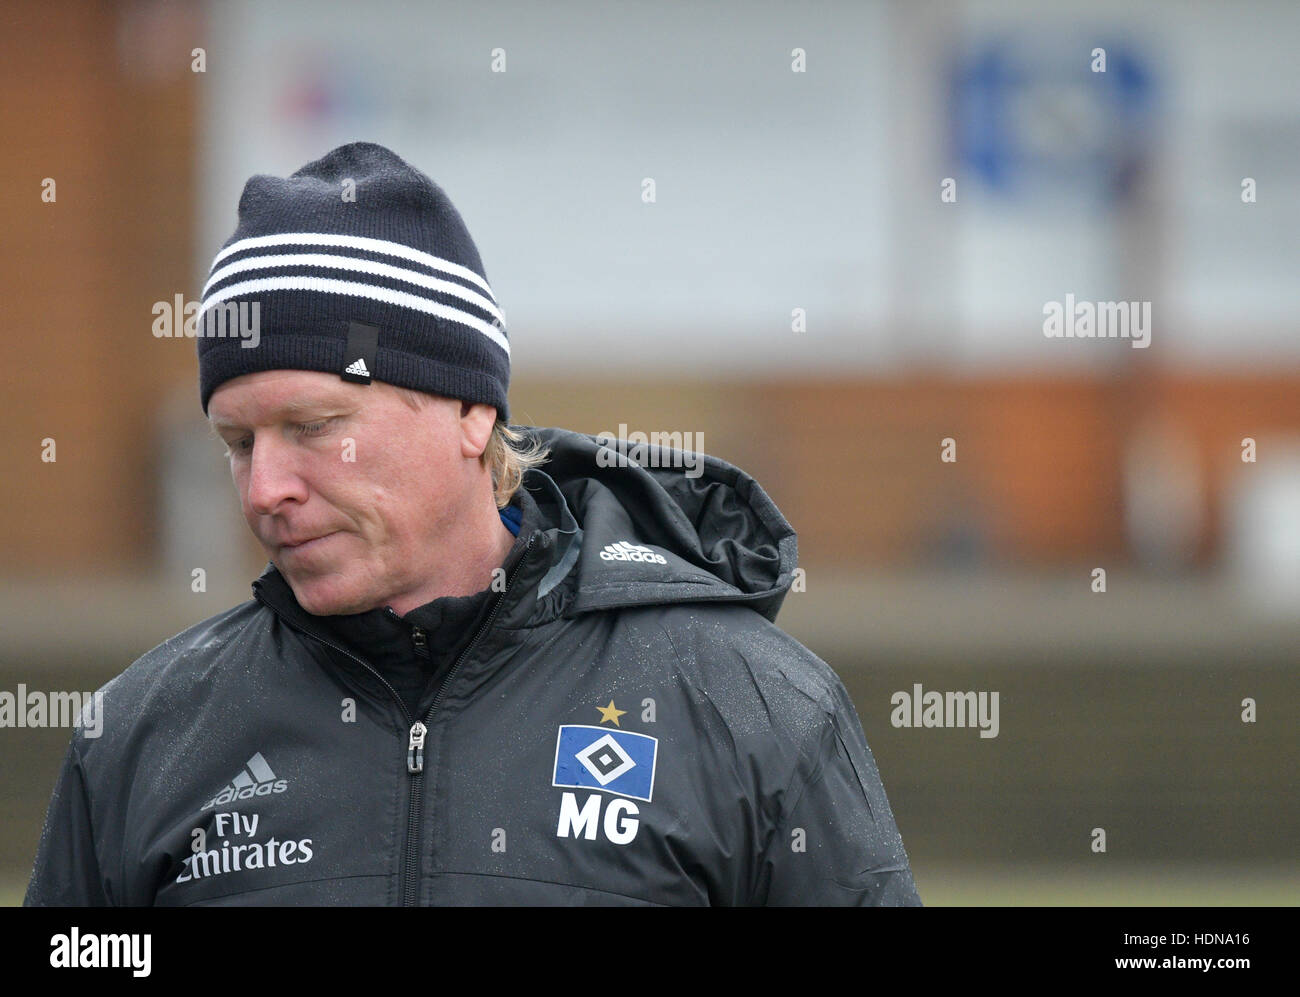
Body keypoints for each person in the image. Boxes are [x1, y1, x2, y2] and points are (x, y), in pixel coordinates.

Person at [24, 142, 921, 906]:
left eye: (312, 428)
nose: (265, 489)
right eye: (237, 440)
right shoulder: (146, 734)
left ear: (470, 413)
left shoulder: (749, 704)